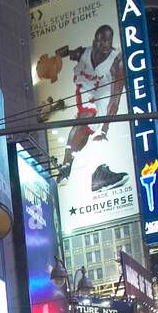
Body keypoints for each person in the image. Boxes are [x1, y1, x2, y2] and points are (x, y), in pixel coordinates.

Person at [55, 25, 127, 190]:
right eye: (103, 41)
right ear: (95, 42)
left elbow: (115, 98)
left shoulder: (117, 63)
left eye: (109, 40)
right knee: (84, 118)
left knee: (87, 129)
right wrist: (59, 55)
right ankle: (66, 164)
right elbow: (70, 53)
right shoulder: (85, 53)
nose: (106, 44)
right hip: (86, 86)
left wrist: (104, 129)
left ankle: (71, 159)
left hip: (104, 94)